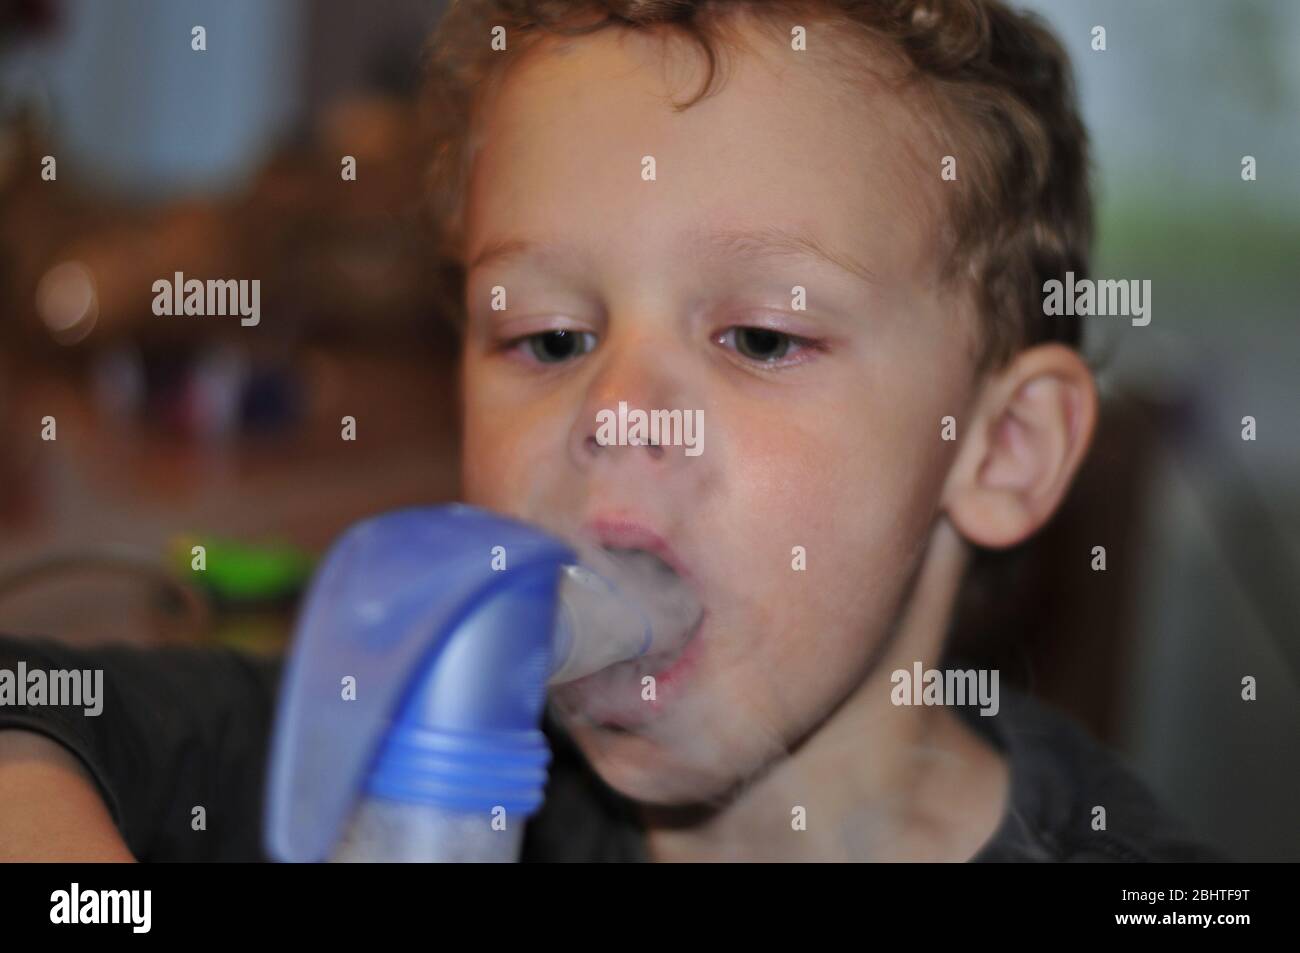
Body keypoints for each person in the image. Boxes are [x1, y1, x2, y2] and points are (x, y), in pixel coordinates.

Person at [0, 0, 1224, 862]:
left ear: (999, 449)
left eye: (758, 337)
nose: (613, 412)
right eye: (546, 337)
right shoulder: (411, 736)